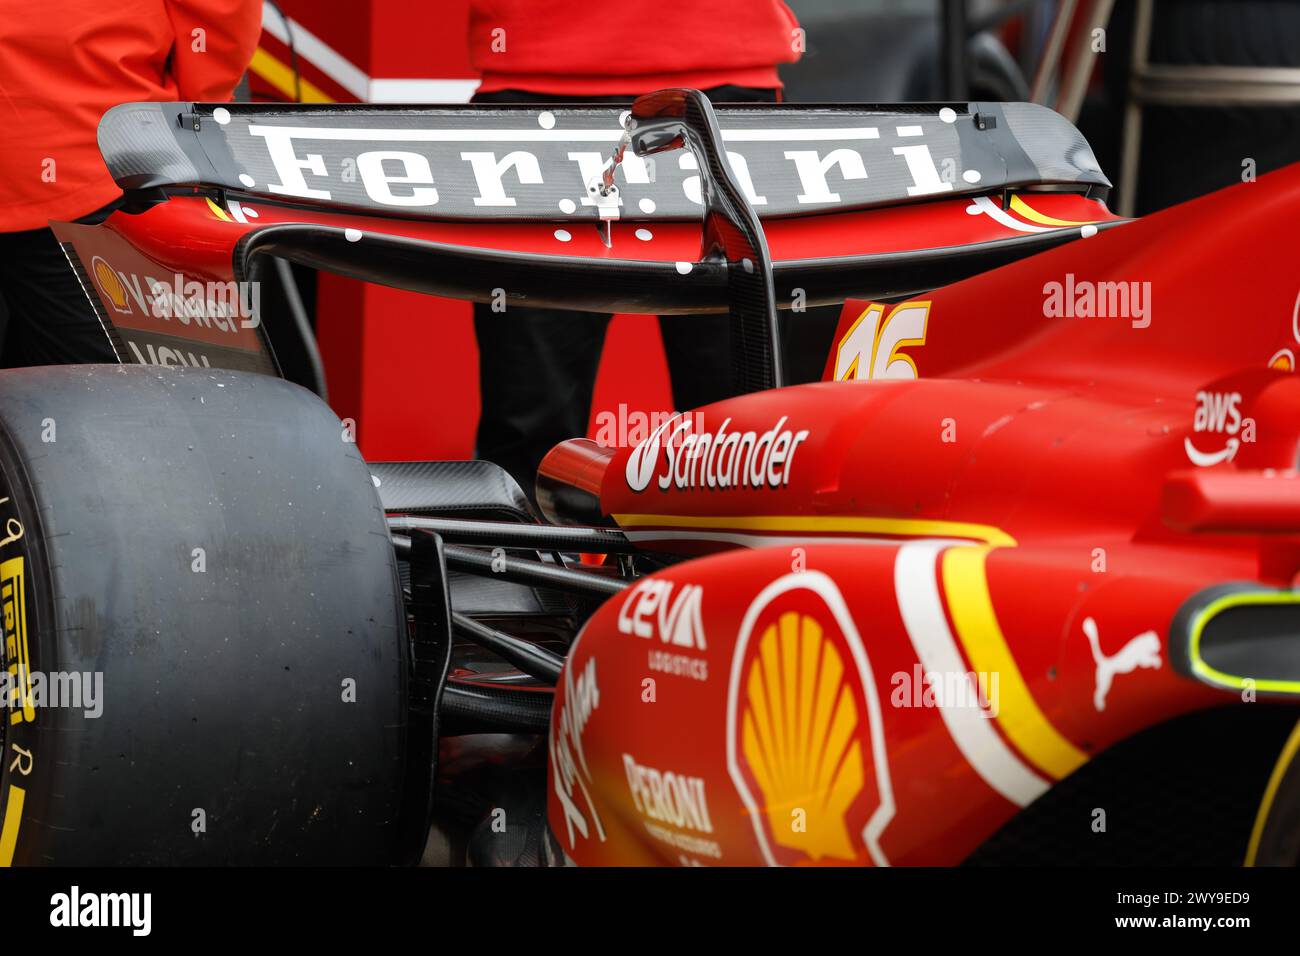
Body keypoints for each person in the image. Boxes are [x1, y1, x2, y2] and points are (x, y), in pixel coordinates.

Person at [467, 0, 803, 498]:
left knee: (742, 436)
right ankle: (523, 575)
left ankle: (738, 576)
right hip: (538, 88)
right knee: (526, 435)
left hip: (726, 87)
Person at [0, 0, 262, 366]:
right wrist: (194, 116)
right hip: (102, 147)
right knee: (125, 403)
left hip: (90, 155)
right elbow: (221, 14)